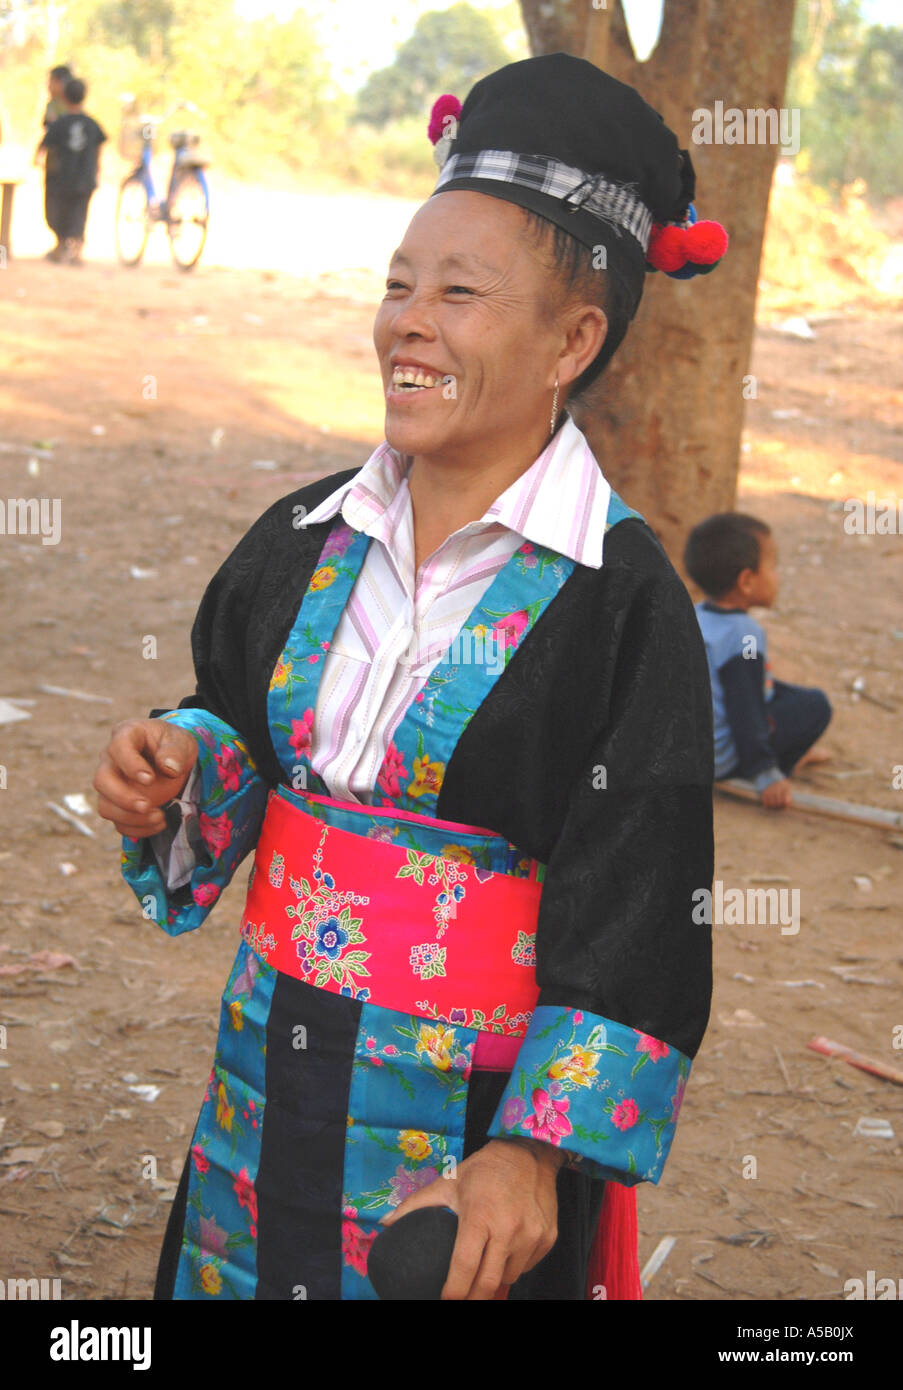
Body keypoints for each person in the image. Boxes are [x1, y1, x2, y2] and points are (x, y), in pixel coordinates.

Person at [94, 53, 720, 1301]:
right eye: (397, 285)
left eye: (461, 293)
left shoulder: (621, 600)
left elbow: (640, 898)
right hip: (266, 1080)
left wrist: (534, 1154)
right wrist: (181, 763)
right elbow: (244, 735)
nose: (408, 322)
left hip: (472, 1138)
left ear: (572, 340)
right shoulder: (300, 537)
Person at [685, 511, 832, 811]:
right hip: (720, 757)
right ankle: (778, 763)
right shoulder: (744, 636)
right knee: (815, 706)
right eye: (773, 567)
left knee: (778, 690)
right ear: (747, 581)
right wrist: (765, 774)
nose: (777, 576)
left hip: (689, 747)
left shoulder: (696, 615)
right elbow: (744, 709)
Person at [37, 76, 106, 266]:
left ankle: (62, 247)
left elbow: (45, 144)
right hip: (85, 178)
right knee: (79, 214)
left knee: (58, 212)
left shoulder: (60, 123)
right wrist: (98, 169)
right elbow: (100, 146)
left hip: (62, 178)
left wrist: (37, 161)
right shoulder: (92, 124)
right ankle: (74, 250)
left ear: (65, 97)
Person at [33, 64, 72, 260]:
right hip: (54, 162)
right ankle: (60, 243)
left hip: (68, 164)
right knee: (52, 205)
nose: (48, 85)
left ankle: (65, 244)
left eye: (52, 81)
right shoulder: (52, 105)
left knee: (64, 204)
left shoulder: (72, 106)